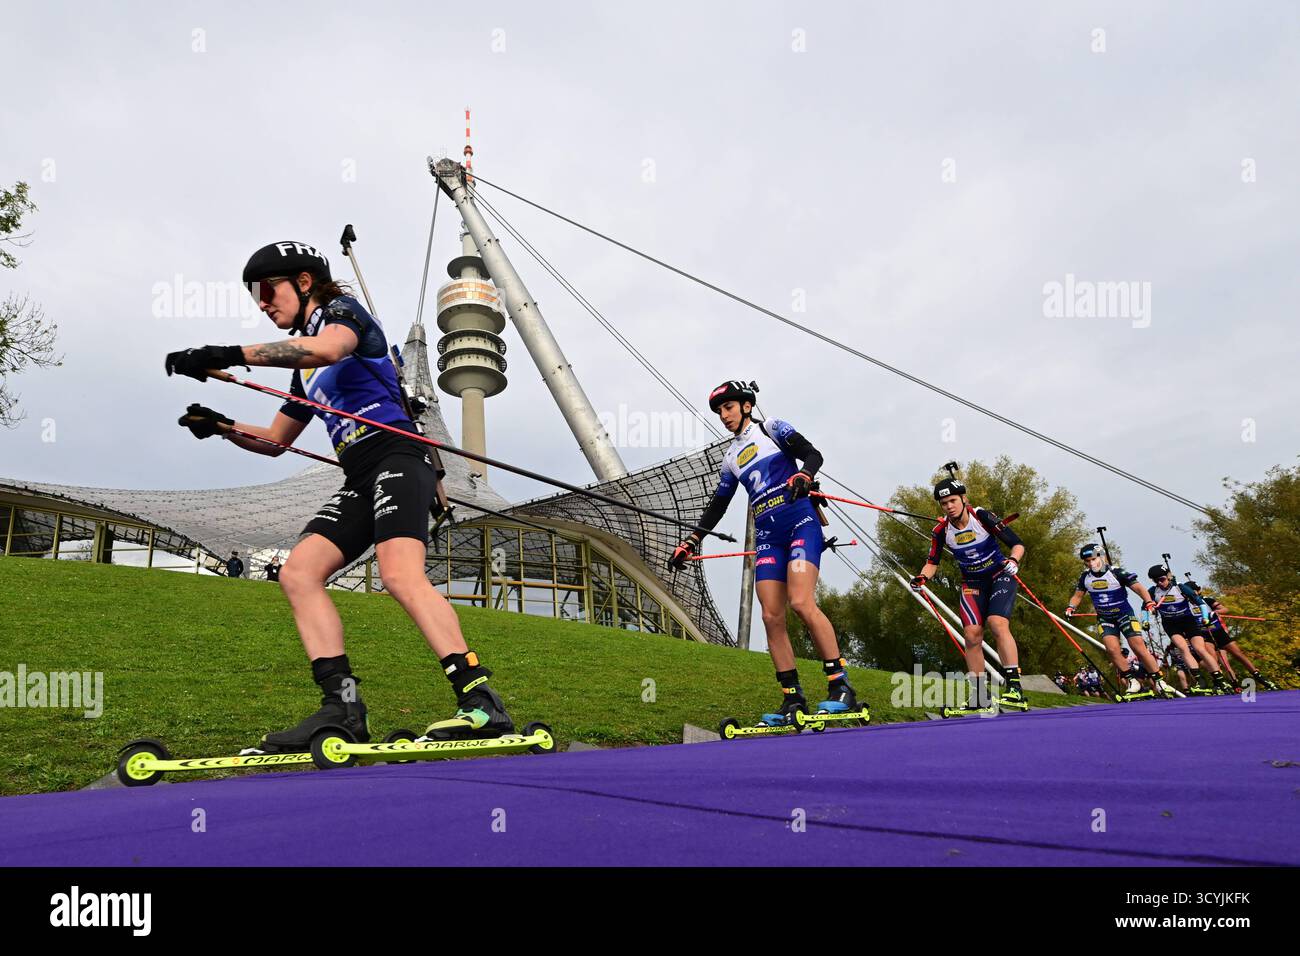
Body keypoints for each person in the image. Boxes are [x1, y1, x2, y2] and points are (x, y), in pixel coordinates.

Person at [165, 239, 514, 750]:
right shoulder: (300, 368)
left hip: (398, 457)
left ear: (303, 282)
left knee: (398, 573)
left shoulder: (343, 315)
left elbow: (330, 347)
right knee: (299, 572)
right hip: (358, 475)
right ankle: (343, 708)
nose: (262, 304)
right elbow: (276, 441)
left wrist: (226, 353)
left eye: (267, 290)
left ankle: (480, 702)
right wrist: (222, 425)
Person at [670, 380, 862, 726]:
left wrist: (804, 474)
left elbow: (813, 454)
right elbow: (719, 505)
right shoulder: (730, 458)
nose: (723, 416)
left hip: (800, 522)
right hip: (768, 536)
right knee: (771, 617)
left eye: (728, 407)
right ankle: (793, 699)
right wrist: (691, 541)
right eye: (718, 411)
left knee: (802, 603)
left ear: (746, 405)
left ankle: (841, 688)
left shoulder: (771, 428)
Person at [909, 474, 1028, 710]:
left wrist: (1013, 560)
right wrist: (922, 578)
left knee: (996, 623)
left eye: (952, 501)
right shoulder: (941, 531)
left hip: (999, 575)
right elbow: (932, 562)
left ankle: (1014, 687)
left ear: (963, 498)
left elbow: (1017, 543)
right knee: (972, 634)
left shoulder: (981, 516)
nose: (949, 507)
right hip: (972, 582)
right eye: (944, 504)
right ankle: (979, 695)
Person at [1064, 544, 1172, 697]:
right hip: (1105, 617)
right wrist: (1071, 607)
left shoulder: (1116, 572)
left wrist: (1148, 601)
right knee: (1112, 650)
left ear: (1101, 557)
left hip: (1124, 614)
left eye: (1093, 559)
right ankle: (1131, 682)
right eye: (1087, 561)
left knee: (1138, 648)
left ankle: (1160, 681)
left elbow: (1139, 588)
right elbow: (1078, 595)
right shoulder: (1085, 577)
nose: (1090, 563)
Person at [1147, 565, 1232, 695]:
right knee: (1183, 649)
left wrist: (1205, 617)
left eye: (1162, 579)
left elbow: (1200, 602)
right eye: (1156, 580)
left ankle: (1220, 680)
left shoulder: (1179, 587)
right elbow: (1145, 607)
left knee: (1200, 649)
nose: (1160, 583)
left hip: (1187, 621)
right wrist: (1145, 619)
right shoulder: (1153, 591)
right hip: (1170, 624)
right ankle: (1200, 681)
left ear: (1168, 577)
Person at [1202, 598, 1280, 691]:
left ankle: (1259, 677)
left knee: (1236, 656)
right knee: (1213, 660)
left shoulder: (1206, 600)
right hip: (1205, 635)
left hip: (1219, 633)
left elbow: (1225, 609)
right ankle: (1222, 684)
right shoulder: (1187, 604)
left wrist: (1214, 612)